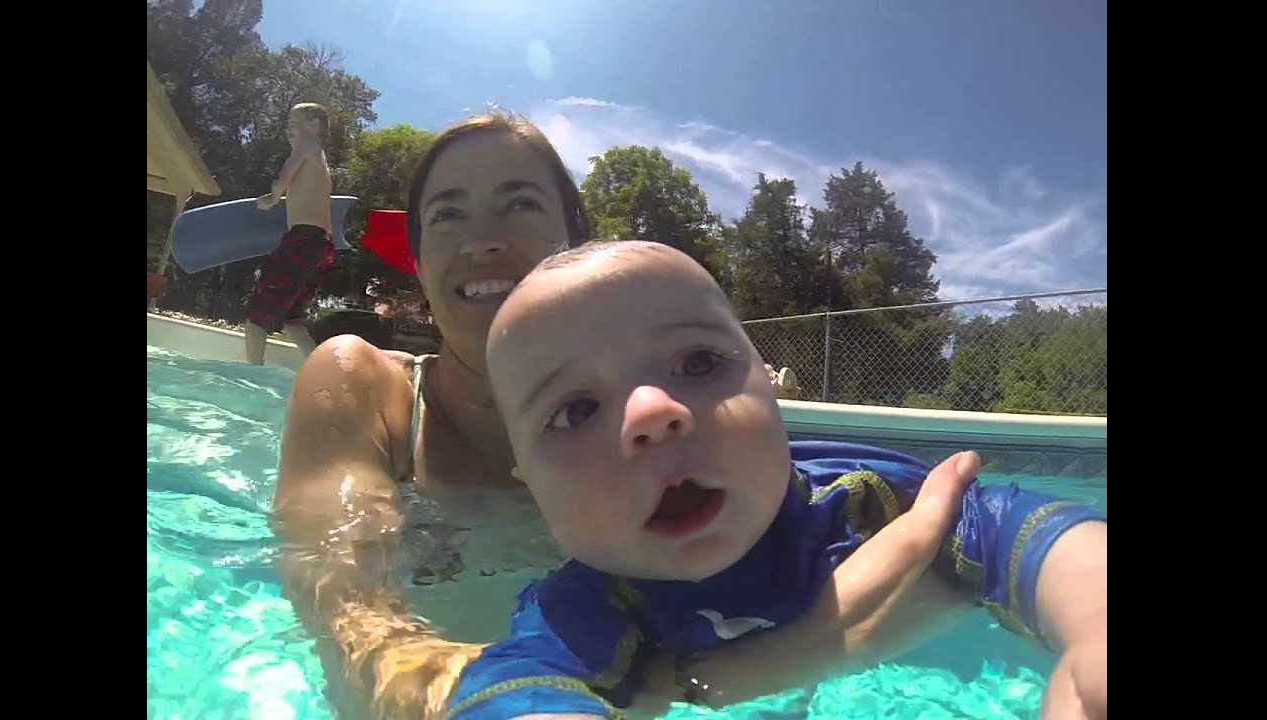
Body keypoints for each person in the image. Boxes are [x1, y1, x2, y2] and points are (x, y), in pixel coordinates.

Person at [270, 111, 1070, 720]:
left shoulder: (774, 474)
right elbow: (349, 619)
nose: (481, 239)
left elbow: (1007, 536)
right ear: (415, 253)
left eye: (517, 204)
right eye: (447, 214)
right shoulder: (364, 383)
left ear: (574, 240)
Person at [443, 241, 1108, 719]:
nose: (652, 413)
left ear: (771, 384)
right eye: (575, 411)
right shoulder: (589, 605)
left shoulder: (857, 502)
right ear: (525, 479)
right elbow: (514, 683)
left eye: (698, 362)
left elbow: (1010, 527)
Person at [245, 102, 337, 364]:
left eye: (295, 122)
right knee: (291, 319)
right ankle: (322, 371)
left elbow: (284, 176)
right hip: (321, 246)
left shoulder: (307, 145)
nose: (289, 129)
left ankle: (251, 378)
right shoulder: (319, 159)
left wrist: (273, 197)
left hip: (304, 239)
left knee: (257, 314)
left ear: (315, 125)